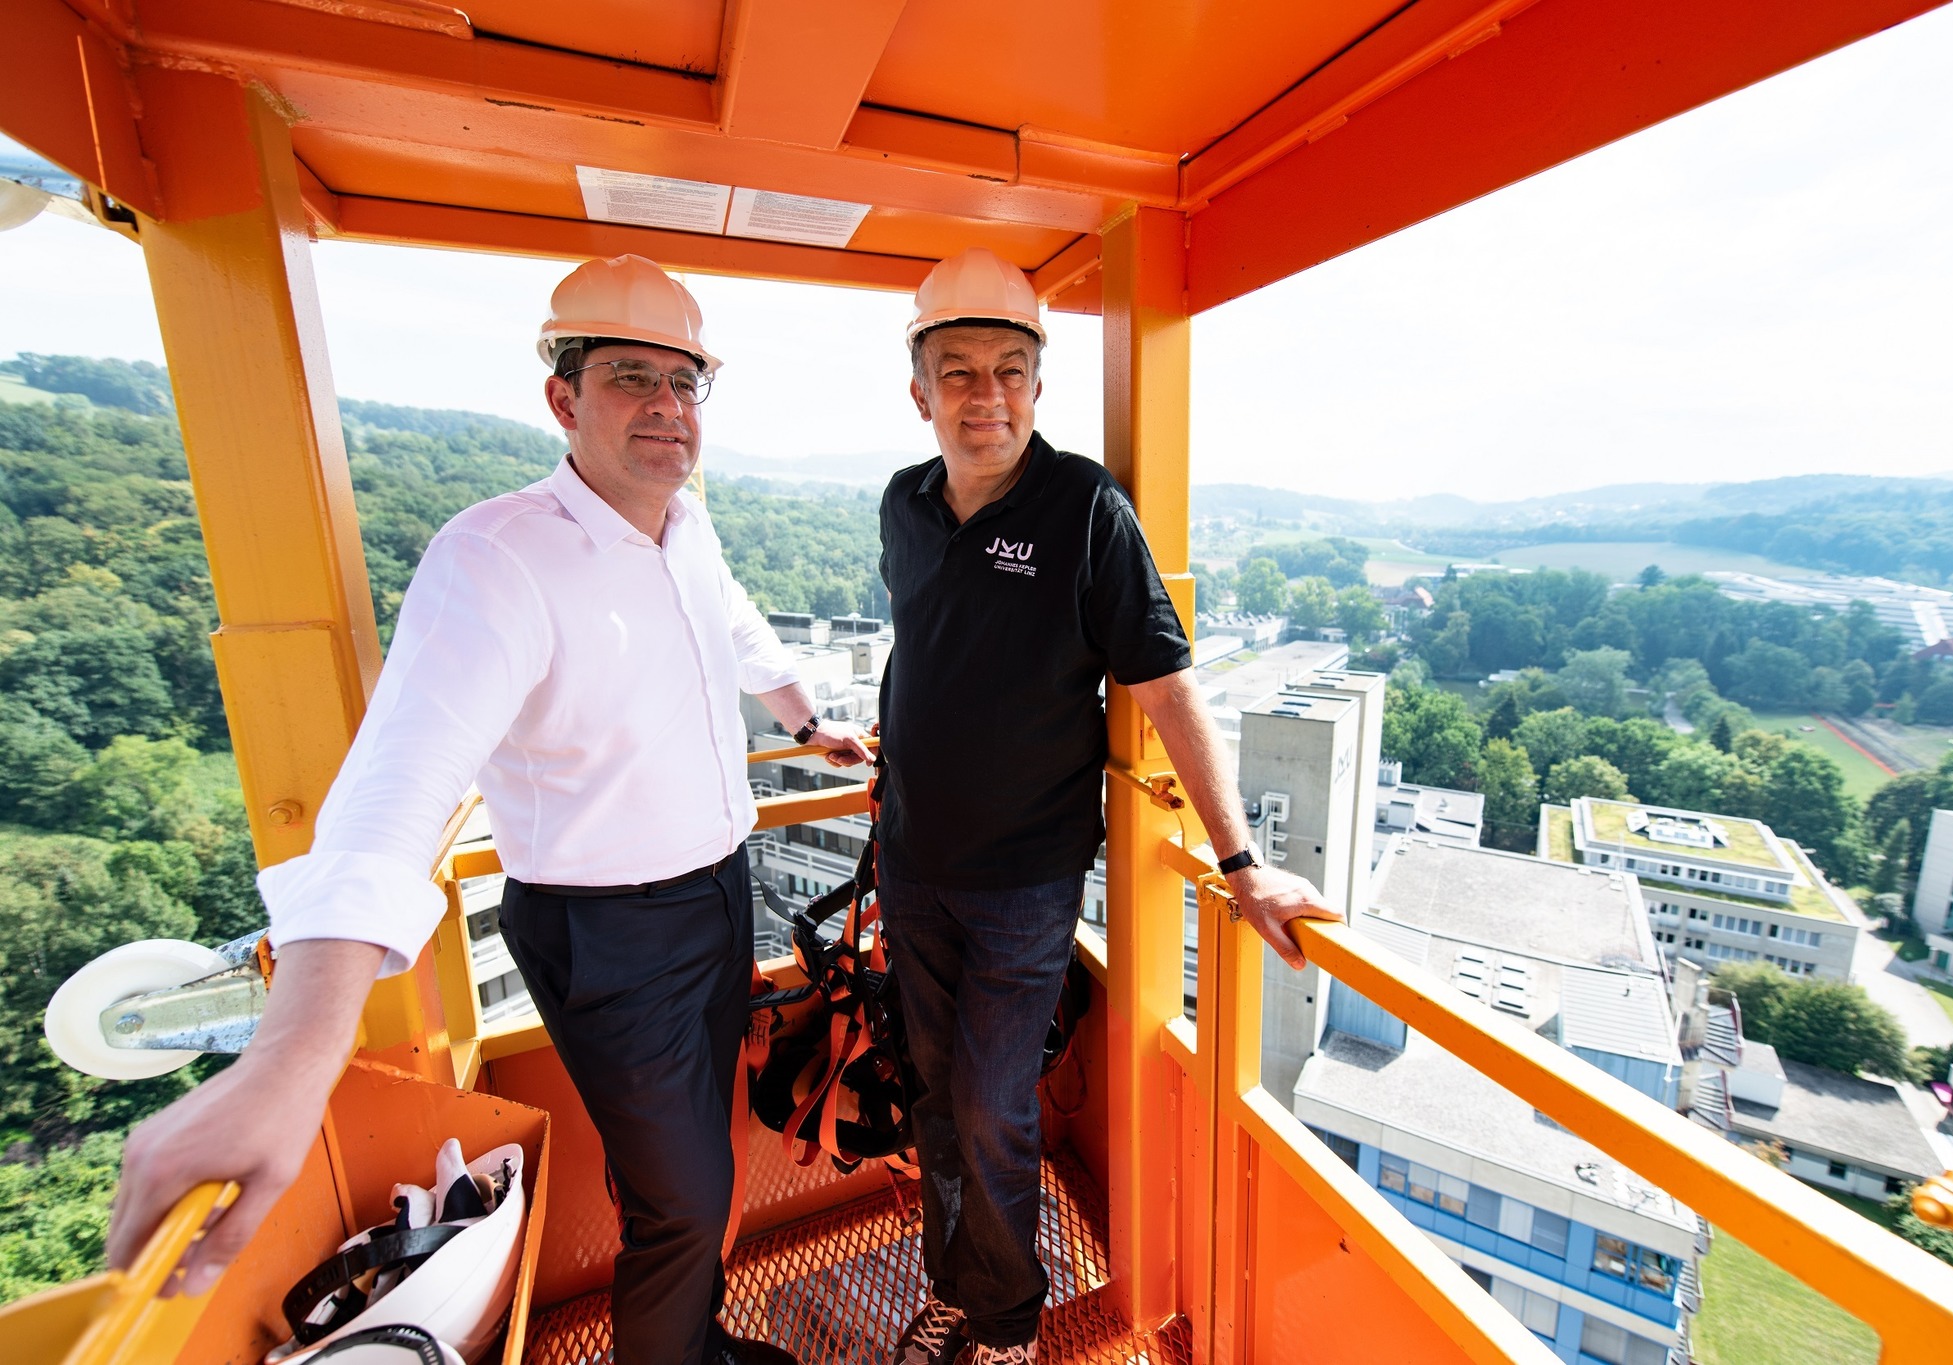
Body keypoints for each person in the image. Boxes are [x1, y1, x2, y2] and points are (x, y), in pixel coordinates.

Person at [103, 254, 870, 1365]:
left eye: (684, 382)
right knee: (691, 1198)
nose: (665, 406)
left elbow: (736, 627)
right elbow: (396, 787)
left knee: (694, 1155)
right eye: (629, 379)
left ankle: (686, 1336)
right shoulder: (497, 558)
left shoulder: (683, 526)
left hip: (713, 894)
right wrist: (291, 1058)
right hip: (605, 926)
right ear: (563, 398)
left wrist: (806, 725)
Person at [876, 249, 1340, 1365]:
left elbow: (1164, 683)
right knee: (936, 1096)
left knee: (989, 1106)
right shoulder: (902, 504)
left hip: (1023, 876)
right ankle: (960, 1282)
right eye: (956, 372)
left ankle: (1004, 1322)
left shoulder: (1083, 507)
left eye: (1006, 371)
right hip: (908, 860)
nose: (983, 396)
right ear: (918, 390)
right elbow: (925, 650)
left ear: (1037, 387)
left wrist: (1240, 860)